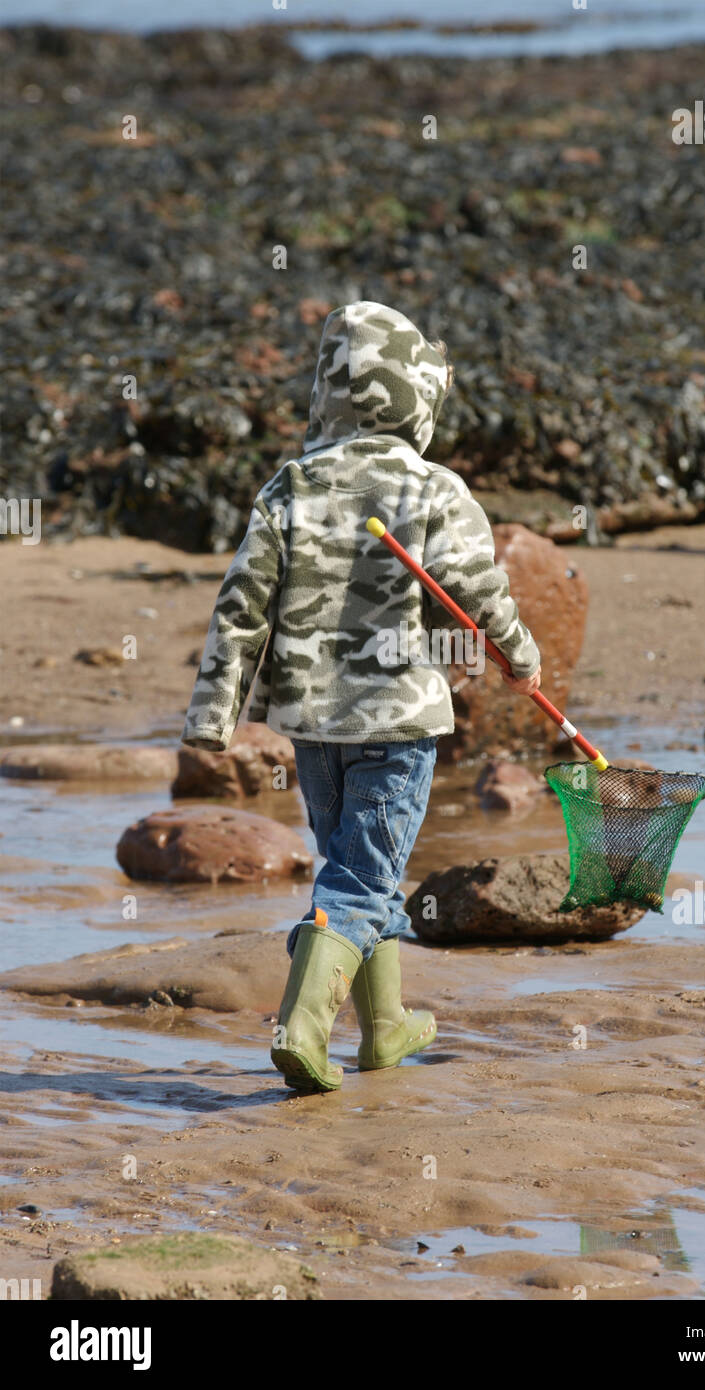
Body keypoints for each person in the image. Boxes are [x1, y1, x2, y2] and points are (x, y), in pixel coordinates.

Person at [182, 300, 541, 1093]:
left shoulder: (291, 485)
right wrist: (517, 655)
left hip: (312, 725)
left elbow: (241, 603)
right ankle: (301, 1027)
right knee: (362, 877)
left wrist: (214, 715)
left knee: (356, 867)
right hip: (397, 720)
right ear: (418, 397)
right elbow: (475, 586)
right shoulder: (432, 487)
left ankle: (383, 1029)